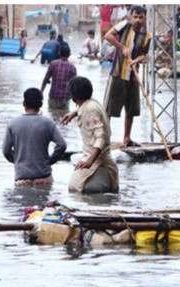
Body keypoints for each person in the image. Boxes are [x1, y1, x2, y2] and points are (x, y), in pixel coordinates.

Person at [103, 5, 152, 147]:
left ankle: (126, 139)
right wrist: (122, 47)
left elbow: (144, 54)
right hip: (118, 73)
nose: (137, 20)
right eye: (135, 17)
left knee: (131, 109)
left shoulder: (147, 35)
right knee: (109, 109)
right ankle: (105, 139)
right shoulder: (124, 25)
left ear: (145, 19)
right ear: (131, 17)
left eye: (140, 18)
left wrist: (136, 60)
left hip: (133, 76)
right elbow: (108, 36)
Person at [62, 77, 119, 193]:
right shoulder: (92, 104)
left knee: (74, 189)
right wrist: (74, 113)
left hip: (96, 162)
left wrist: (90, 161)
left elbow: (100, 137)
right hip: (100, 159)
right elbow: (87, 111)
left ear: (74, 96)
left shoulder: (90, 110)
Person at [2, 88, 67, 186]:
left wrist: (19, 161)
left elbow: (6, 151)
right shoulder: (48, 123)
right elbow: (62, 145)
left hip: (22, 179)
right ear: (41, 104)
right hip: (44, 177)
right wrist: (49, 161)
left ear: (24, 103)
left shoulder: (12, 123)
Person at [41, 42, 77, 113]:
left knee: (52, 114)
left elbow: (46, 79)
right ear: (69, 54)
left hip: (53, 95)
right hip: (66, 97)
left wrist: (41, 92)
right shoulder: (72, 67)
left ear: (59, 53)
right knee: (64, 117)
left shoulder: (53, 64)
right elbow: (74, 85)